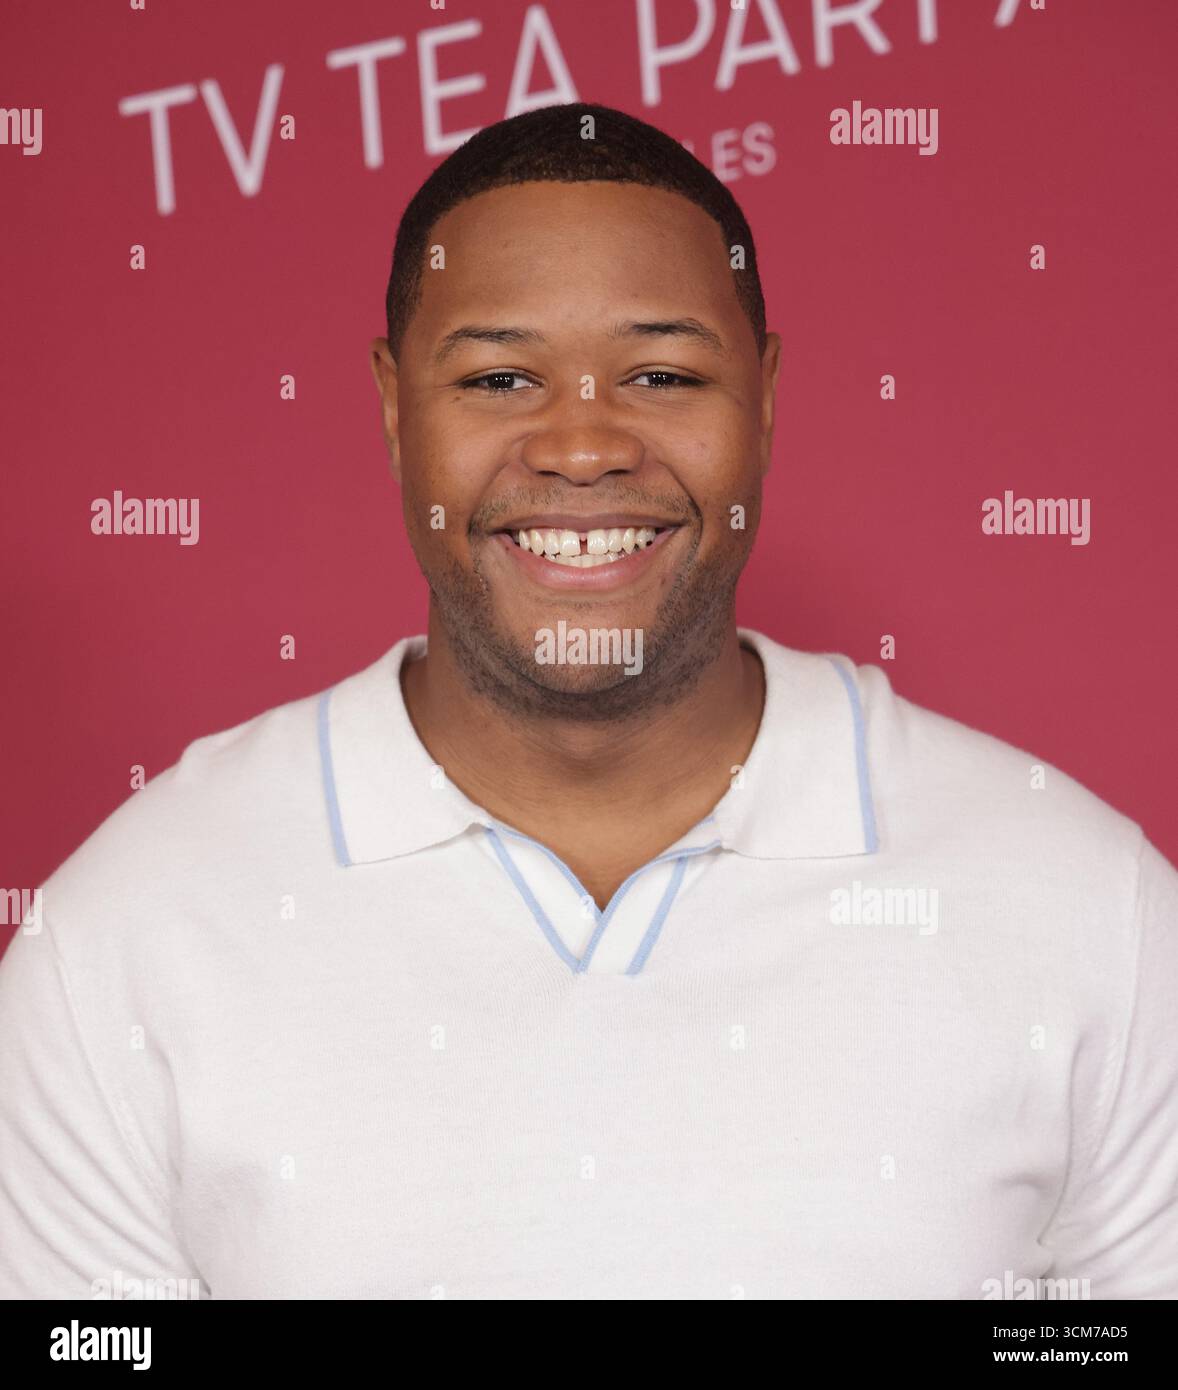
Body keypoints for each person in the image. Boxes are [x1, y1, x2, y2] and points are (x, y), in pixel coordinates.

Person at [1, 102, 1175, 1301]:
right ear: (395, 404)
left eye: (660, 373)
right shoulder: (126, 938)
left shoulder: (1090, 908)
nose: (579, 446)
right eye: (499, 377)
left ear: (762, 399)